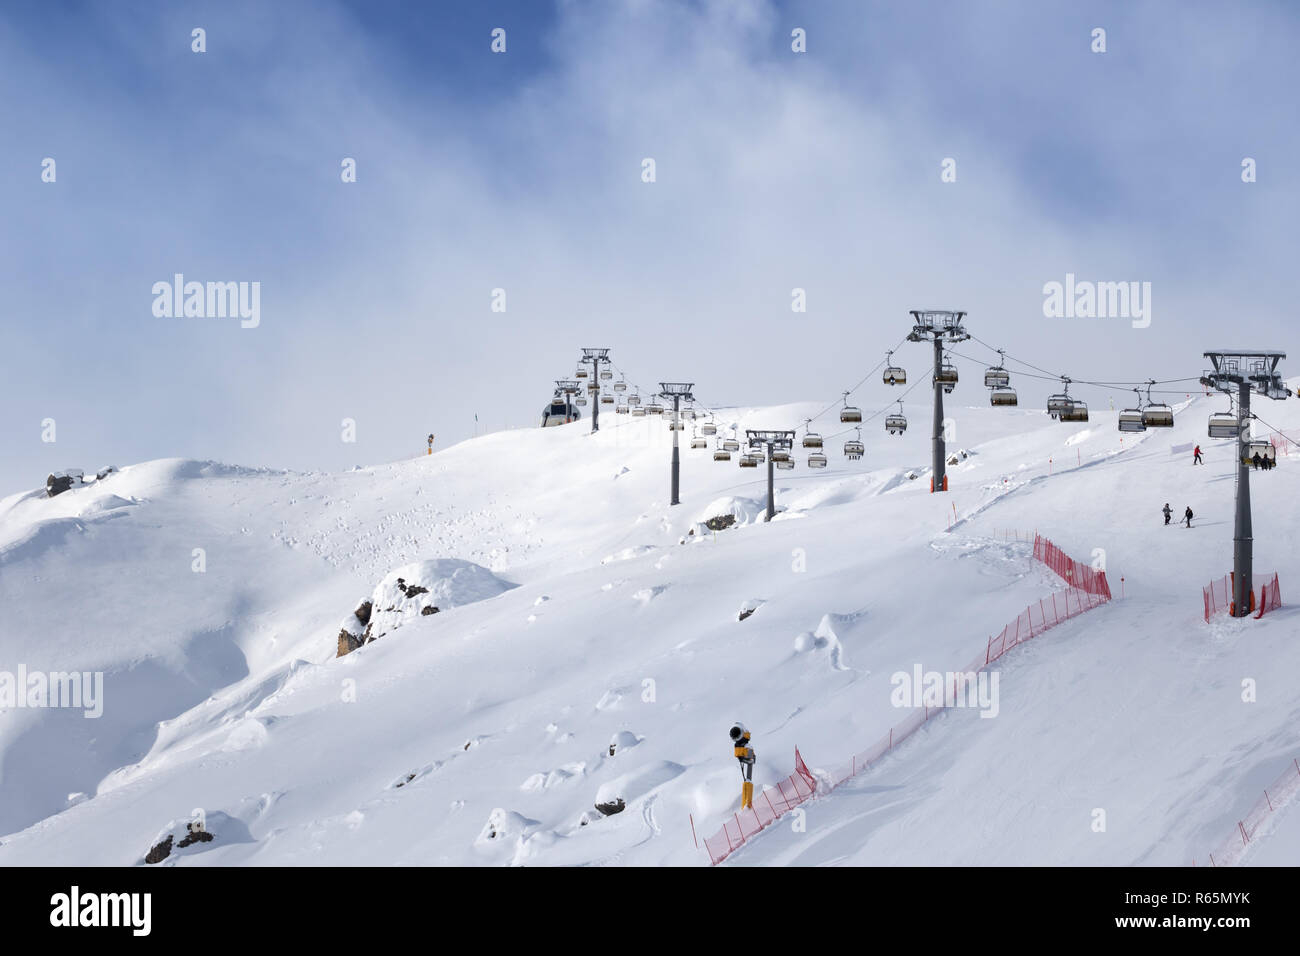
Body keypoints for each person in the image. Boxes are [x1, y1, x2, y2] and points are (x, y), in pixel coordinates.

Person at [730, 723, 756, 809]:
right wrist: (741, 758)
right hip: (744, 770)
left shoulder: (748, 747)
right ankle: (745, 806)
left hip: (748, 772)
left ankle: (748, 806)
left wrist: (743, 759)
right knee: (746, 784)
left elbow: (751, 761)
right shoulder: (737, 745)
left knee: (747, 782)